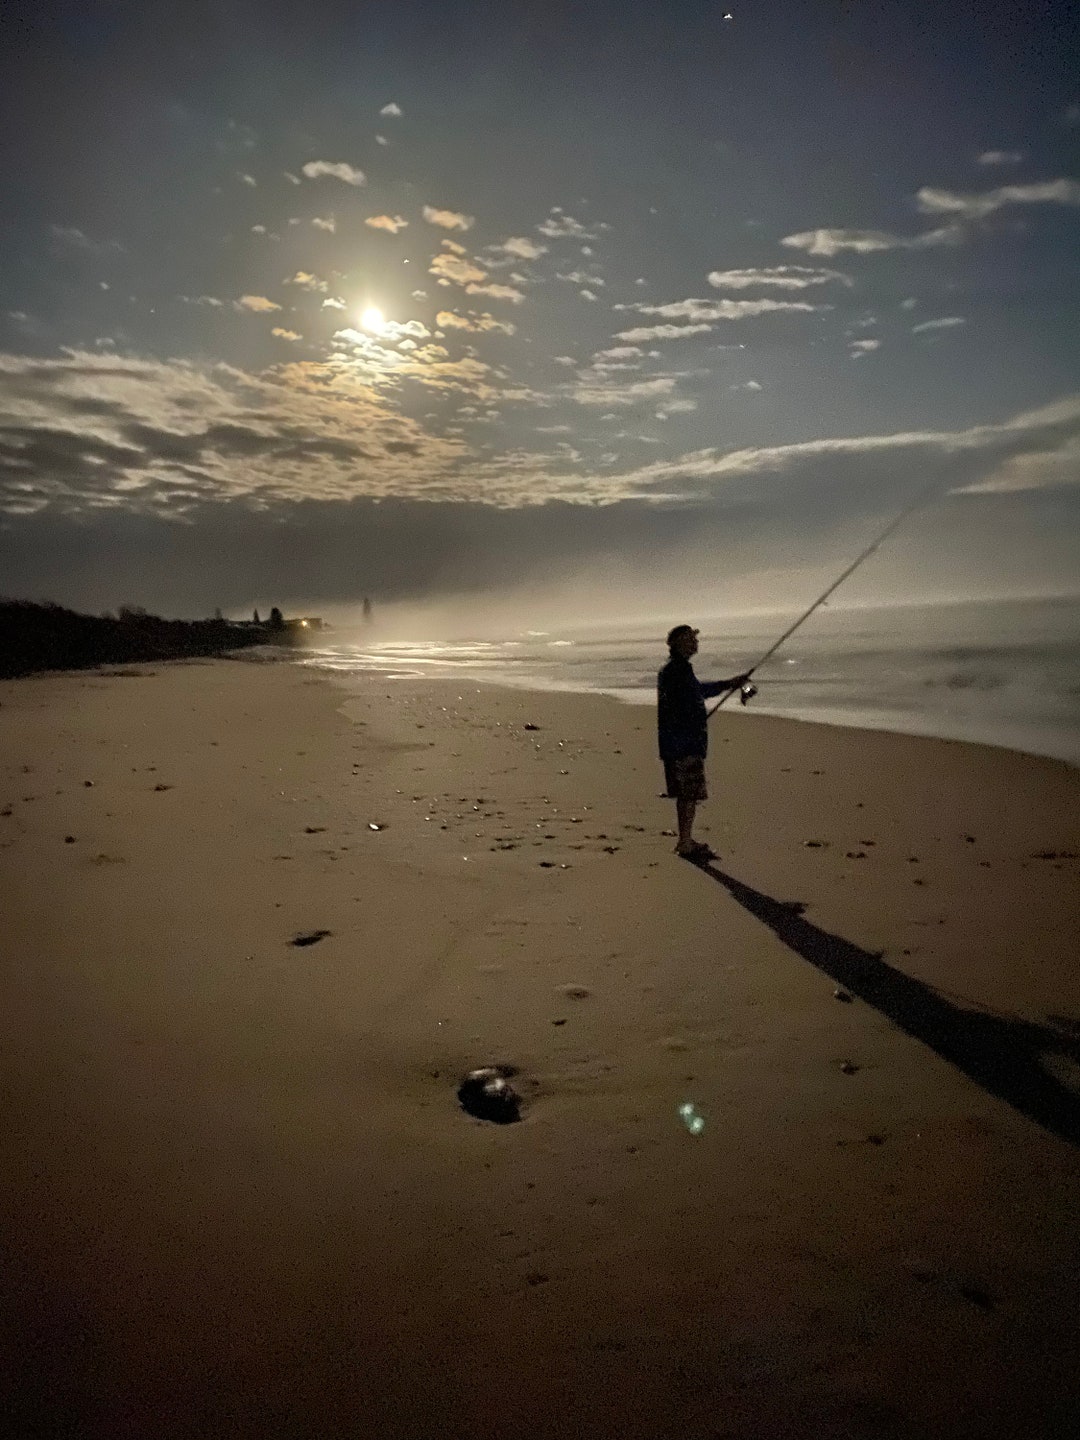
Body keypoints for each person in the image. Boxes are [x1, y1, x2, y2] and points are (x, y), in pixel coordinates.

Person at [658, 625, 750, 860]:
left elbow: (694, 694)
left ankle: (685, 839)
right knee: (689, 795)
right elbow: (696, 694)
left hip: (676, 742)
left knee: (685, 795)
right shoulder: (677, 671)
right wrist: (729, 684)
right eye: (690, 639)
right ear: (678, 643)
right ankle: (685, 842)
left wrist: (729, 684)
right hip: (684, 743)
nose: (695, 643)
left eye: (695, 639)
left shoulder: (674, 670)